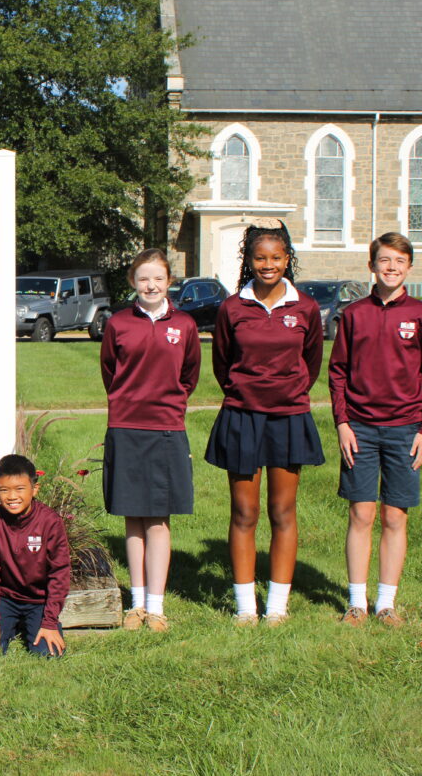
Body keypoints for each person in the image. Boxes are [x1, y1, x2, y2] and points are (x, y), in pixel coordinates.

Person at [206, 222, 324, 627]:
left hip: (289, 418)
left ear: (288, 260)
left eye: (276, 257)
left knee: (282, 510)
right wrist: (246, 393)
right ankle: (245, 608)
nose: (268, 265)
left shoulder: (305, 307)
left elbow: (311, 365)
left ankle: (276, 607)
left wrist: (284, 393)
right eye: (260, 258)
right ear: (249, 261)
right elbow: (223, 363)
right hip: (242, 416)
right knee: (244, 511)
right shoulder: (232, 308)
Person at [329, 233, 422, 628]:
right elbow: (338, 371)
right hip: (359, 427)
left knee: (395, 516)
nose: (391, 267)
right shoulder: (355, 314)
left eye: (398, 261)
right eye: (383, 260)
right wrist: (342, 422)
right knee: (361, 513)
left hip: (405, 430)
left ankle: (386, 603)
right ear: (371, 265)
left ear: (409, 266)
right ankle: (356, 603)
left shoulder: (421, 316)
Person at [100, 249, 201, 633]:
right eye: (143, 279)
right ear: (133, 282)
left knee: (158, 518)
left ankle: (156, 607)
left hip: (167, 428)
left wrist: (169, 404)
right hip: (126, 427)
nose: (151, 285)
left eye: (158, 278)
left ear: (169, 281)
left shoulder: (186, 325)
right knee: (133, 516)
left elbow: (189, 375)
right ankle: (136, 605)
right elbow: (110, 370)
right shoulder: (119, 324)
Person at [0, 455, 71, 657]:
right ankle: (6, 625)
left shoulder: (50, 521)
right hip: (4, 598)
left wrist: (50, 621)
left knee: (48, 653)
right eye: (4, 490)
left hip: (39, 601)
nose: (12, 496)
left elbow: (59, 573)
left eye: (20, 489)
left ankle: (31, 625)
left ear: (35, 489)